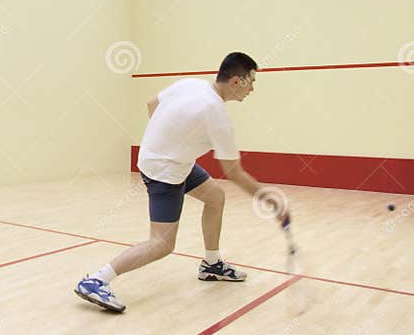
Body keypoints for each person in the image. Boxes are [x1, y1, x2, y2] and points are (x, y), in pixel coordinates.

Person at [75, 52, 286, 312]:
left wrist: (166, 141)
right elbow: (234, 172)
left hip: (166, 160)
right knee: (162, 244)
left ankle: (211, 264)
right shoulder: (217, 116)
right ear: (236, 81)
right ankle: (97, 280)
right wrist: (269, 198)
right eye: (251, 81)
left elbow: (152, 104)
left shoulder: (192, 84)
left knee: (215, 196)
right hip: (165, 171)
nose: (252, 88)